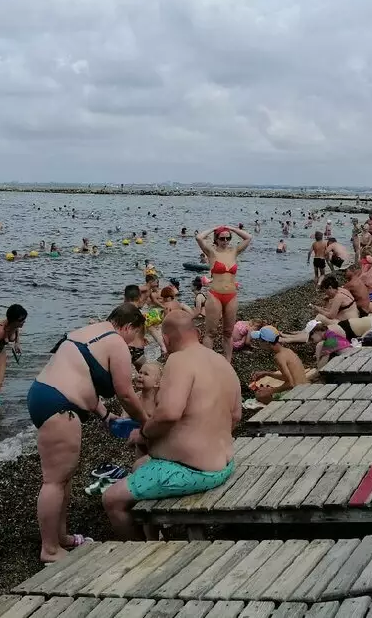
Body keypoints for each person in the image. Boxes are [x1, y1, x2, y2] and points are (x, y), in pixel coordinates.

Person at [102, 310, 241, 538]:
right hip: (225, 464)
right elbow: (235, 415)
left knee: (112, 499)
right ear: (195, 333)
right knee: (141, 466)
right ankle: (157, 533)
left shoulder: (179, 360)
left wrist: (144, 435)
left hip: (194, 472)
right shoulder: (221, 362)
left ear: (165, 339)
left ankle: (136, 556)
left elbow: (168, 413)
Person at [28, 303, 146, 563]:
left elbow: (82, 377)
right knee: (54, 480)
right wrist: (146, 421)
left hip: (44, 395)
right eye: (135, 336)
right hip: (59, 406)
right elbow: (126, 393)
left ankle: (61, 537)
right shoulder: (116, 342)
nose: (132, 345)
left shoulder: (89, 331)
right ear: (128, 327)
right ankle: (49, 549)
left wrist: (105, 415)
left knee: (64, 476)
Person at [195, 225, 252, 360]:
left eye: (228, 238)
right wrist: (214, 228)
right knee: (211, 332)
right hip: (215, 294)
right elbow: (199, 237)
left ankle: (228, 362)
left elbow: (248, 237)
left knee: (228, 332)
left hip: (231, 295)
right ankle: (207, 362)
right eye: (222, 238)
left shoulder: (234, 252)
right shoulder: (211, 253)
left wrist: (231, 228)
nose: (225, 240)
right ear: (216, 239)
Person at [248, 326, 308, 403]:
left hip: (298, 394)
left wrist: (271, 391)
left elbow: (291, 384)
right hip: (305, 387)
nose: (259, 343)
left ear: (266, 342)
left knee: (260, 396)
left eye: (260, 340)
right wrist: (267, 374)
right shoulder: (287, 351)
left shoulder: (279, 357)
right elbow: (288, 378)